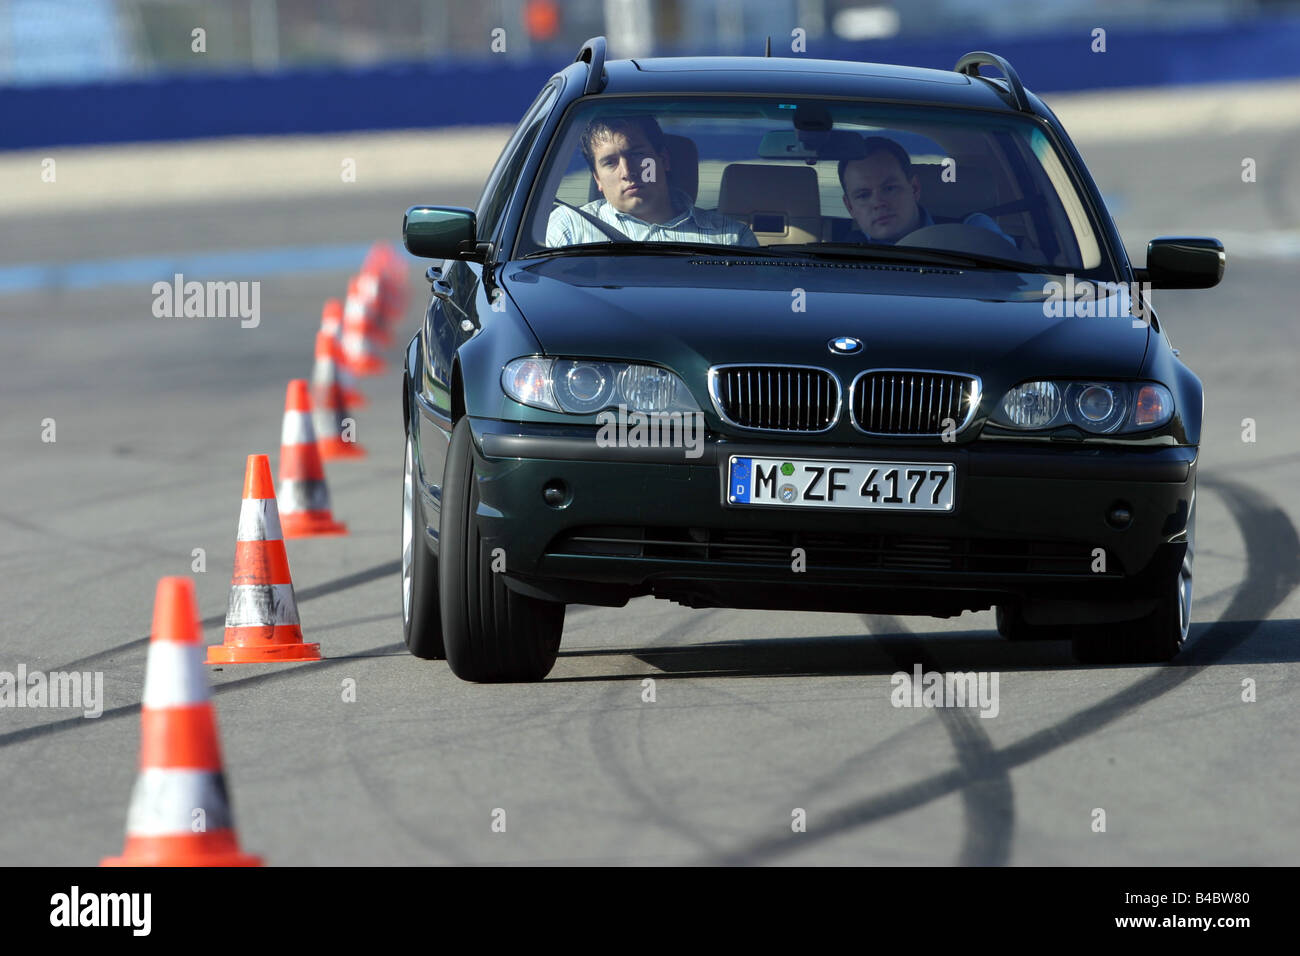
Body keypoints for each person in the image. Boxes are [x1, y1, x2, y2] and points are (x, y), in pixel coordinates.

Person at [546, 115, 759, 248]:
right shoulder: (569, 228)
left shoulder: (730, 239)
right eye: (610, 162)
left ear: (663, 160)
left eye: (637, 155)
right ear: (597, 178)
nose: (627, 172)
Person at [838, 136, 1016, 247]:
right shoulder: (833, 259)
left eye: (889, 188)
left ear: (914, 188)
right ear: (850, 207)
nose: (878, 203)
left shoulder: (972, 230)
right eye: (863, 195)